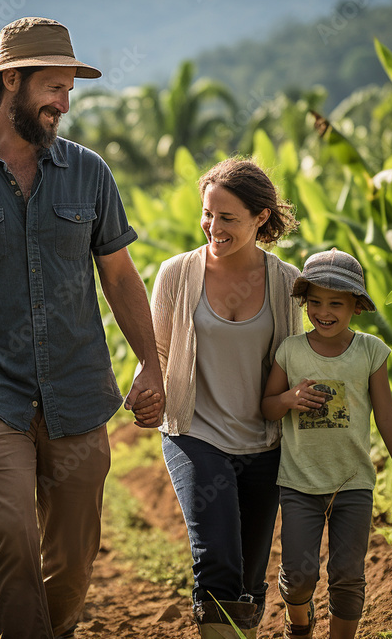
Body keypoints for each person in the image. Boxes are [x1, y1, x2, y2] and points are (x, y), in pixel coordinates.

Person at [0, 16, 165, 639]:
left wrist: (153, 363)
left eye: (69, 90)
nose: (63, 104)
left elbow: (122, 279)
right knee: (12, 537)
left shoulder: (89, 174)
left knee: (72, 560)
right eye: (53, 88)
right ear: (10, 82)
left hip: (78, 390)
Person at [149, 158, 326, 638]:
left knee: (249, 575)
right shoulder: (176, 274)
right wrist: (146, 389)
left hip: (264, 443)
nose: (213, 227)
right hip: (194, 432)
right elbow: (158, 352)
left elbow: (298, 360)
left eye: (228, 218)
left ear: (260, 218)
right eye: (208, 214)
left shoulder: (286, 283)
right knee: (218, 558)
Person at [261, 248, 392, 639]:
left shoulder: (370, 352)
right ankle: (299, 624)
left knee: (348, 575)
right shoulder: (290, 350)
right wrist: (289, 399)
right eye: (314, 302)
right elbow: (267, 407)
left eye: (336, 303)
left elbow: (386, 416)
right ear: (304, 303)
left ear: (356, 306)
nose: (323, 312)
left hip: (354, 482)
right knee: (299, 576)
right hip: (299, 483)